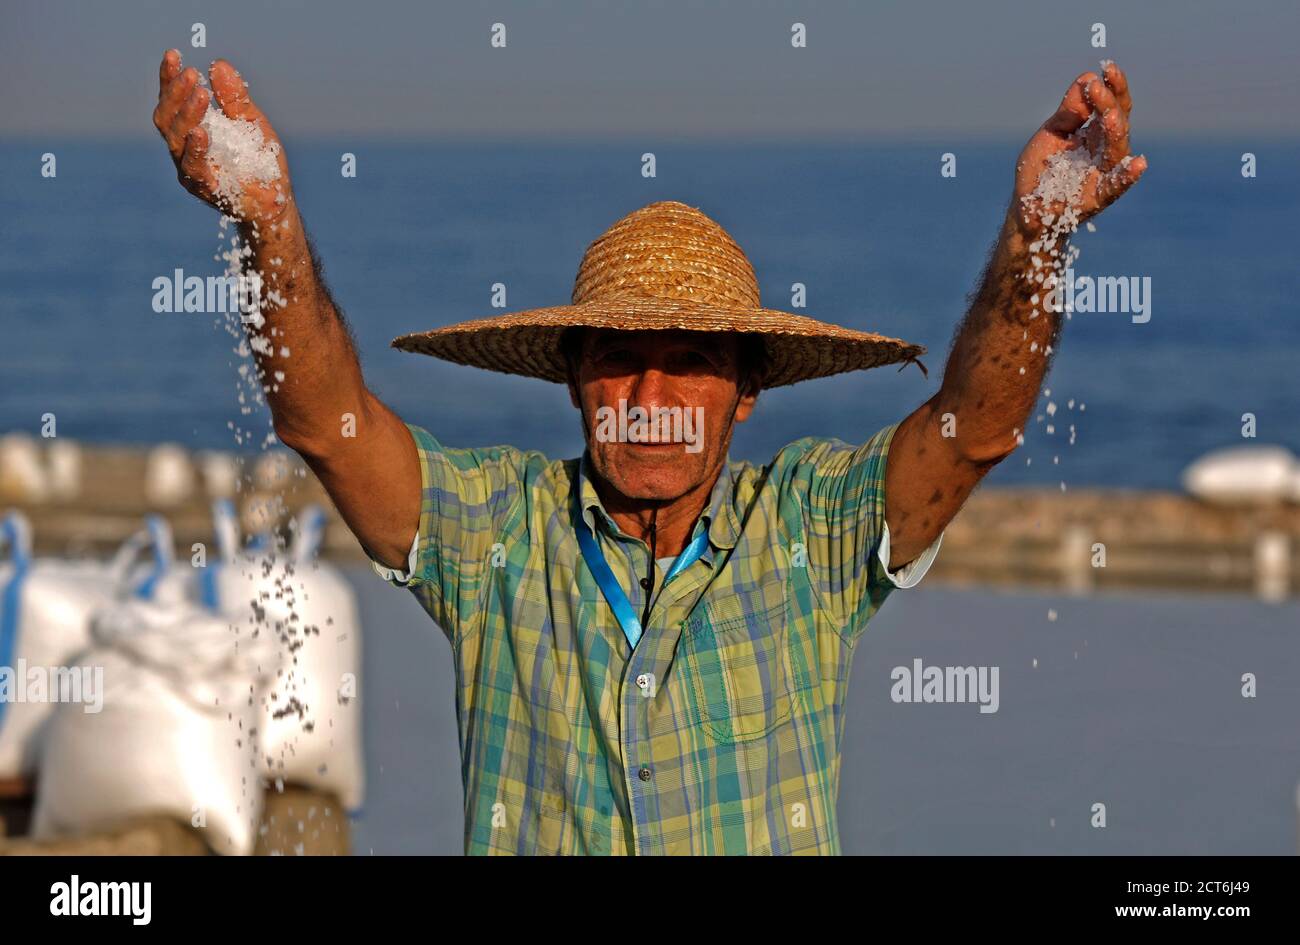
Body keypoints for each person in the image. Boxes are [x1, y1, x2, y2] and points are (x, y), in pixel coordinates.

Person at [152, 49, 1146, 854]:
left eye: (691, 363)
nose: (651, 398)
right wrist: (266, 220)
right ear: (575, 381)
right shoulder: (494, 531)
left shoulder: (812, 530)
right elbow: (327, 421)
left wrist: (1039, 233)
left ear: (747, 394)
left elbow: (973, 426)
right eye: (621, 361)